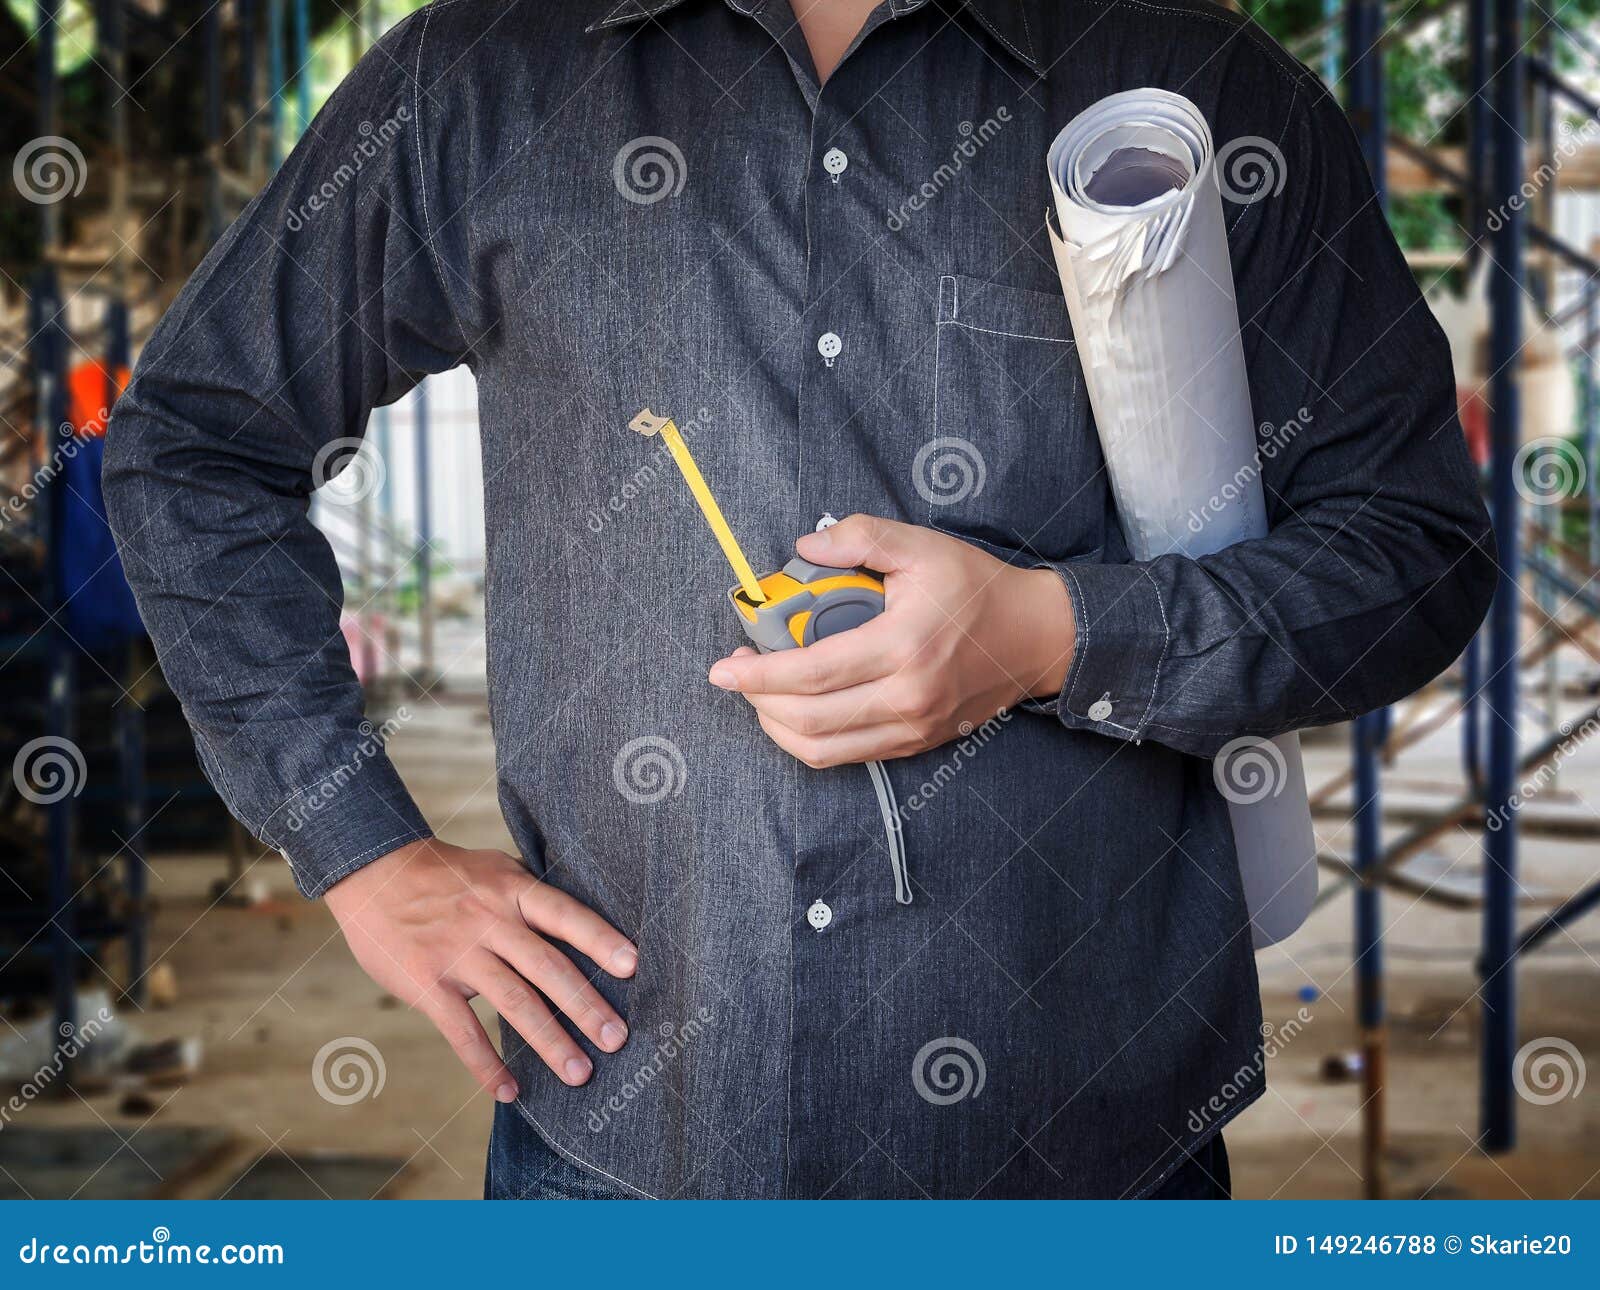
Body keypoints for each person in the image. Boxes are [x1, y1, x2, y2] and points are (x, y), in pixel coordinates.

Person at [104, 0, 1494, 1199]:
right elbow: (194, 439)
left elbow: (1416, 546)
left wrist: (1048, 637)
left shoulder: (1190, 90)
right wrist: (357, 844)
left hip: (1092, 1148)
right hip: (629, 1144)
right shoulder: (484, 75)